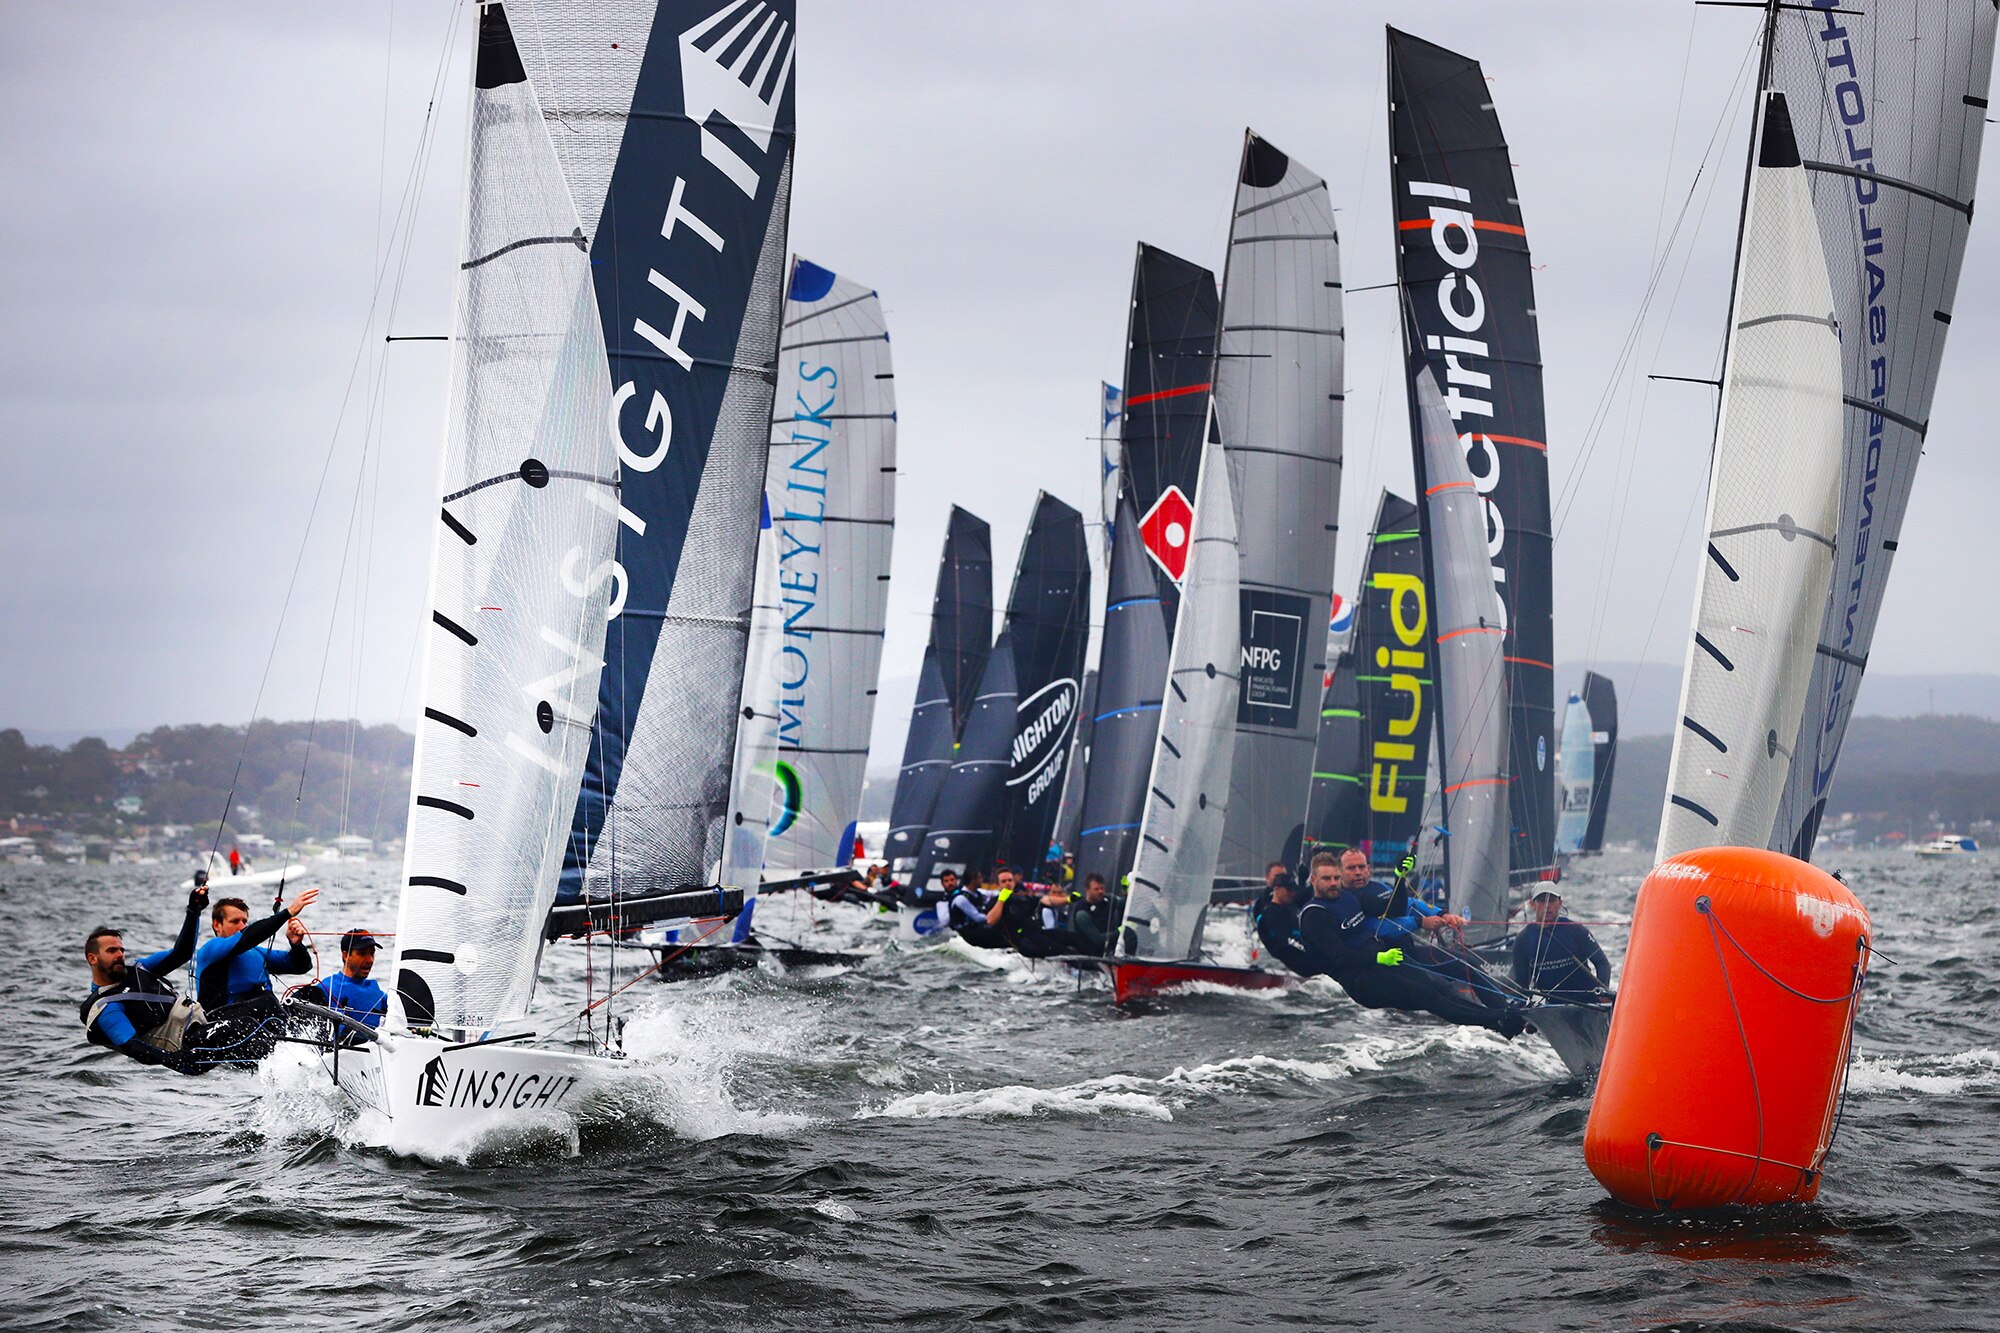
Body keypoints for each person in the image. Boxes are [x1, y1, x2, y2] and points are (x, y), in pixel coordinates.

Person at [1295, 851, 1525, 1037]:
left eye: (1335, 878)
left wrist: (1400, 877)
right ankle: (1496, 1020)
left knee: (1455, 969)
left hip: (1387, 960)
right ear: (1314, 880)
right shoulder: (1315, 915)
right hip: (1363, 981)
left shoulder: (1349, 897)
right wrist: (1380, 956)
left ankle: (1506, 1011)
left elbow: (1395, 908)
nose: (1333, 883)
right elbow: (1340, 957)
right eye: (1327, 879)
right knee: (1430, 992)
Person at [79, 878, 211, 1070]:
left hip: (201, 1021)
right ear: (93, 959)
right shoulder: (106, 1007)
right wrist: (177, 1060)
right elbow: (133, 1047)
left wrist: (194, 911)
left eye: (121, 950)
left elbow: (181, 954)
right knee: (248, 1028)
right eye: (112, 951)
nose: (120, 955)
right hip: (191, 1045)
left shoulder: (140, 968)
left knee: (262, 1010)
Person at [1511, 891, 1612, 1000]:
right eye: (1542, 901)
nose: (1547, 906)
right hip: (1553, 1007)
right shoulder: (1523, 939)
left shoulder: (1575, 930)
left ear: (1560, 903)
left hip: (1589, 1002)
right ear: (1533, 904)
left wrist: (1603, 992)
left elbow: (1602, 963)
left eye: (1552, 900)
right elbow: (1522, 985)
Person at [316, 929, 389, 1030]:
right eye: (362, 954)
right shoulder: (329, 987)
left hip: (377, 1043)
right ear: (346, 955)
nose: (369, 960)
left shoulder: (375, 989)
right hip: (347, 1044)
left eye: (372, 953)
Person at [1250, 870, 1312, 977]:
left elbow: (1307, 893)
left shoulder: (1289, 904)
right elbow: (1287, 941)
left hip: (1304, 960)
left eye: (1293, 890)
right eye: (1289, 890)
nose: (1292, 893)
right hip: (1296, 965)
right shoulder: (1271, 915)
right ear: (1277, 889)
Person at [1016, 881, 1087, 958]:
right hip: (1041, 938)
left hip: (1050, 936)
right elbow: (1048, 900)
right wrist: (1069, 899)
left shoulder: (1058, 910)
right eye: (1053, 892)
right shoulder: (1044, 902)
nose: (1055, 894)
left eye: (1059, 892)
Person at [1068, 873, 1115, 956]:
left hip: (1110, 952)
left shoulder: (1107, 899)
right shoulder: (1082, 913)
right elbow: (1098, 940)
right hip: (1090, 957)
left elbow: (1123, 902)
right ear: (1087, 890)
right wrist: (1119, 931)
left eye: (1102, 888)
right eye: (1096, 889)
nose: (1100, 891)